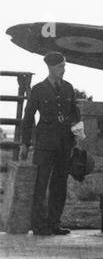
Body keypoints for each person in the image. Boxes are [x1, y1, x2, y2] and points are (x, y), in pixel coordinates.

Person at [18, 52, 83, 236]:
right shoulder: (38, 90)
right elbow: (28, 117)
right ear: (52, 67)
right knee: (40, 185)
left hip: (65, 145)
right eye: (61, 66)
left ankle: (54, 223)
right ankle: (39, 226)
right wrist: (24, 143)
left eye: (64, 66)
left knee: (60, 185)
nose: (64, 69)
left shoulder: (68, 88)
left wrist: (78, 136)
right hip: (45, 145)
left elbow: (75, 114)